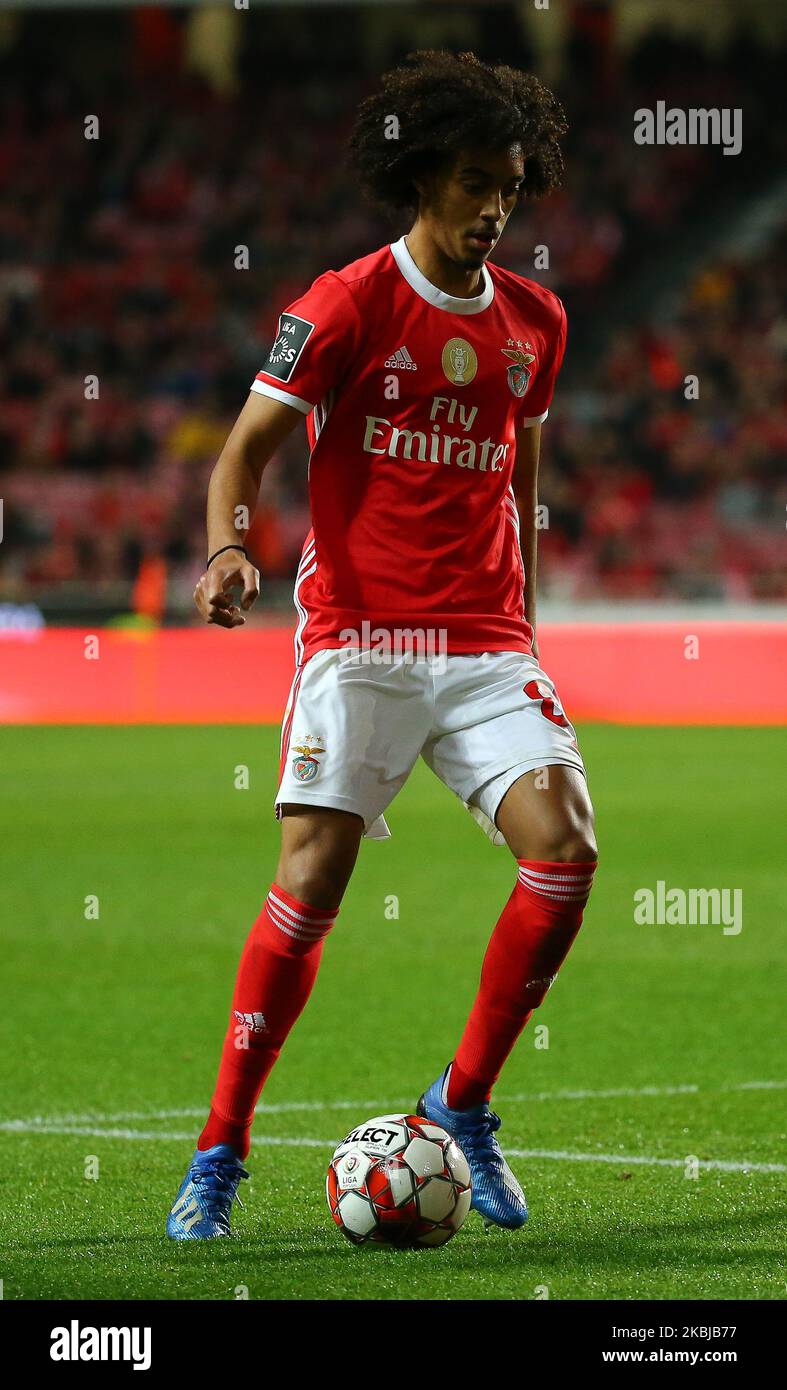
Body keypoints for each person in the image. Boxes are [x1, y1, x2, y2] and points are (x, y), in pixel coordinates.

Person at [167, 49, 597, 1241]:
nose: (493, 207)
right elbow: (241, 452)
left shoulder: (534, 322)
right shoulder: (345, 302)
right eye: (472, 182)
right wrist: (228, 551)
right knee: (312, 883)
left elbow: (521, 477)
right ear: (422, 178)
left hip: (484, 639)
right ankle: (220, 1147)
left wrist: (523, 609)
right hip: (359, 635)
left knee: (564, 854)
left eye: (509, 186)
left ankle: (460, 1103)